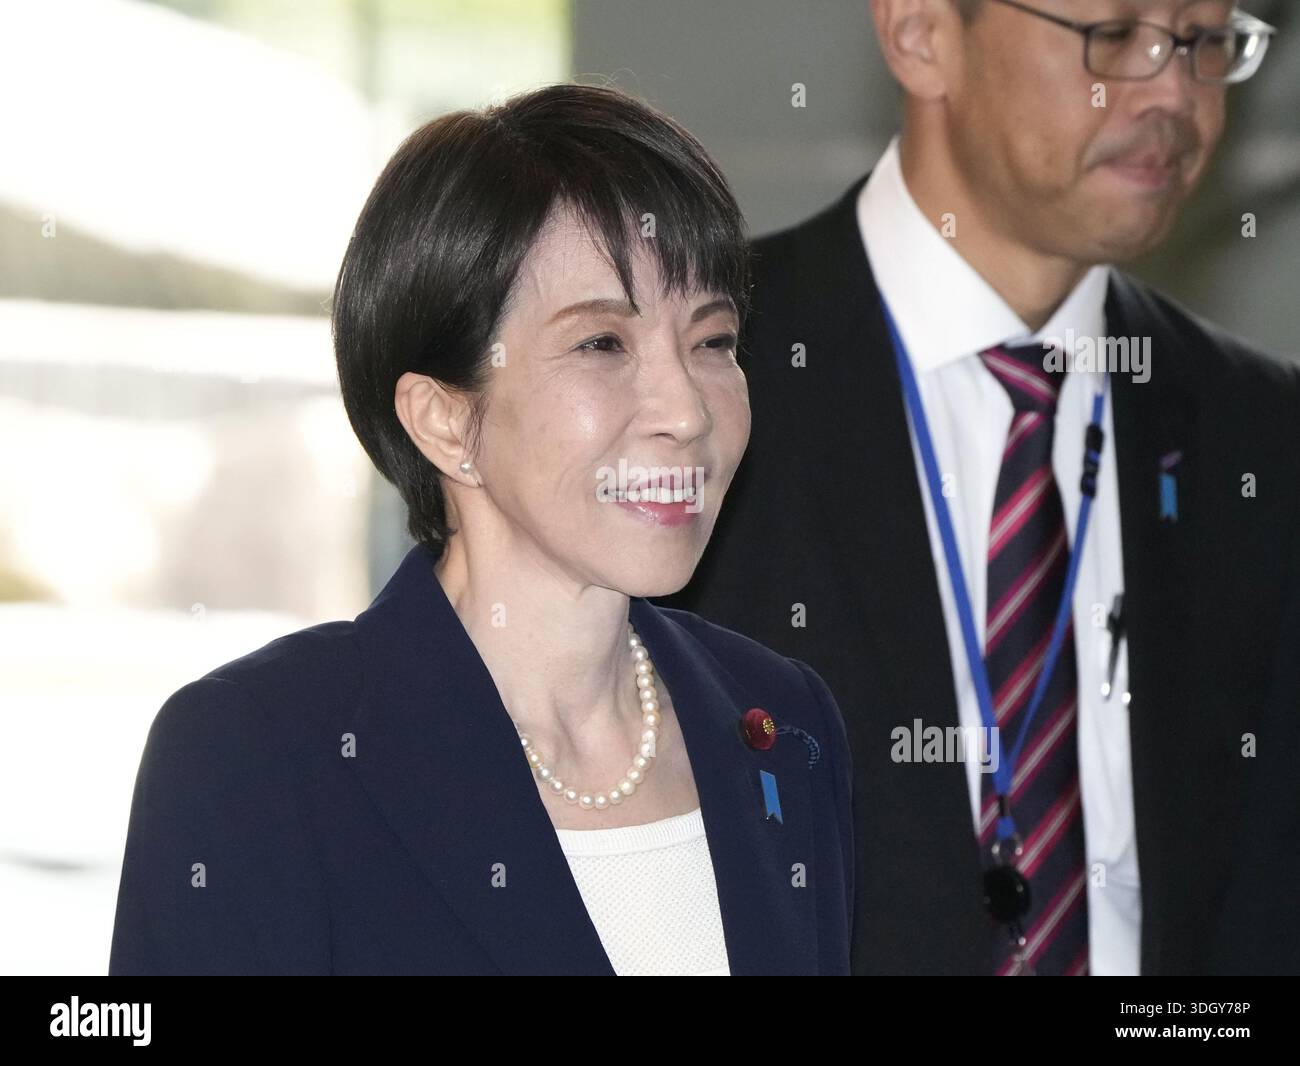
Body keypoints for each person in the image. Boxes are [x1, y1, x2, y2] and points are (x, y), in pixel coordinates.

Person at [107, 84, 853, 976]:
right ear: (445, 422)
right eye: (602, 345)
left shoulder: (781, 721)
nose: (686, 411)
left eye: (713, 340)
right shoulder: (258, 760)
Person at [658, 0, 1299, 975]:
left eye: (1206, 41)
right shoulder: (688, 388)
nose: (1174, 91)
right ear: (920, 33)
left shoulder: (1259, 432)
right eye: (1115, 34)